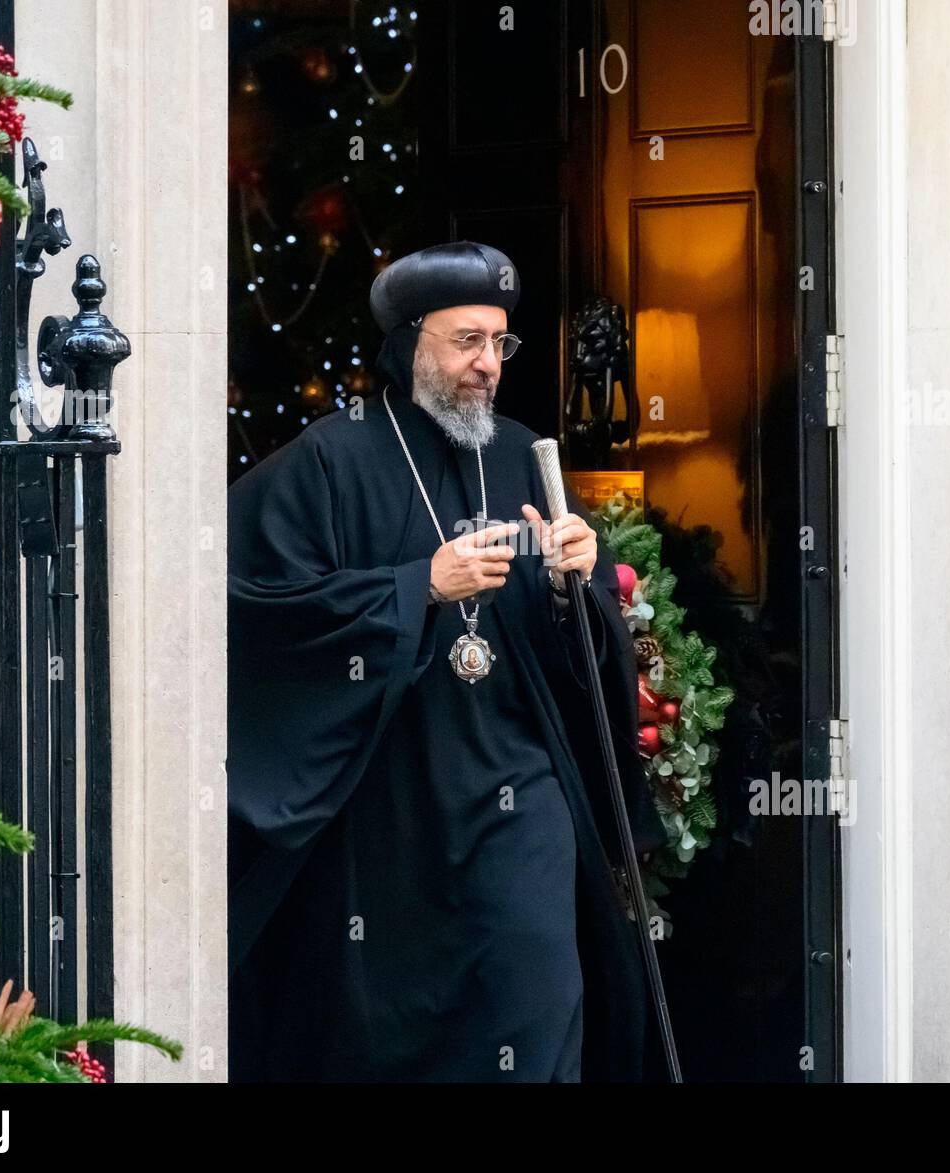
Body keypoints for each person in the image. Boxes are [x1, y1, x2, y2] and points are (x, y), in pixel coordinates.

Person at [227, 240, 668, 1082]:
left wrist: (579, 586)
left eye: (501, 344)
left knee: (538, 989)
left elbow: (579, 654)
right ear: (409, 345)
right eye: (467, 340)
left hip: (515, 786)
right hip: (392, 801)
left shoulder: (522, 454)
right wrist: (413, 588)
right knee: (389, 1030)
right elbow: (252, 605)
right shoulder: (331, 459)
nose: (487, 365)